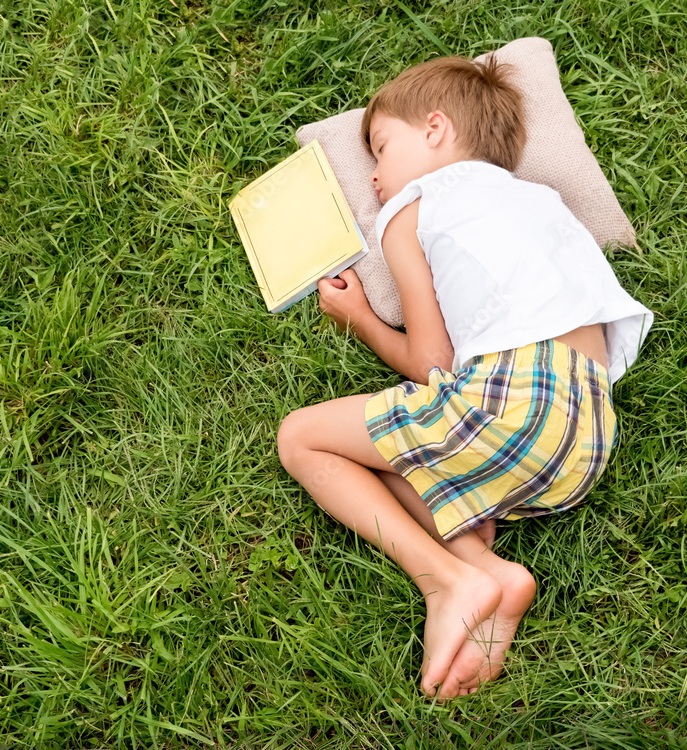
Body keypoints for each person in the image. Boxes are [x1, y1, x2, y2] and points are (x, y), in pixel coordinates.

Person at [276, 55, 653, 701]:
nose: (372, 175)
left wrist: (361, 318)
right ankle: (486, 570)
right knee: (401, 453)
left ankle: (447, 580)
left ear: (435, 129)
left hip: (516, 405)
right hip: (585, 437)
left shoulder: (412, 206)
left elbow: (432, 364)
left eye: (380, 148)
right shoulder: (544, 200)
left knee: (303, 436)